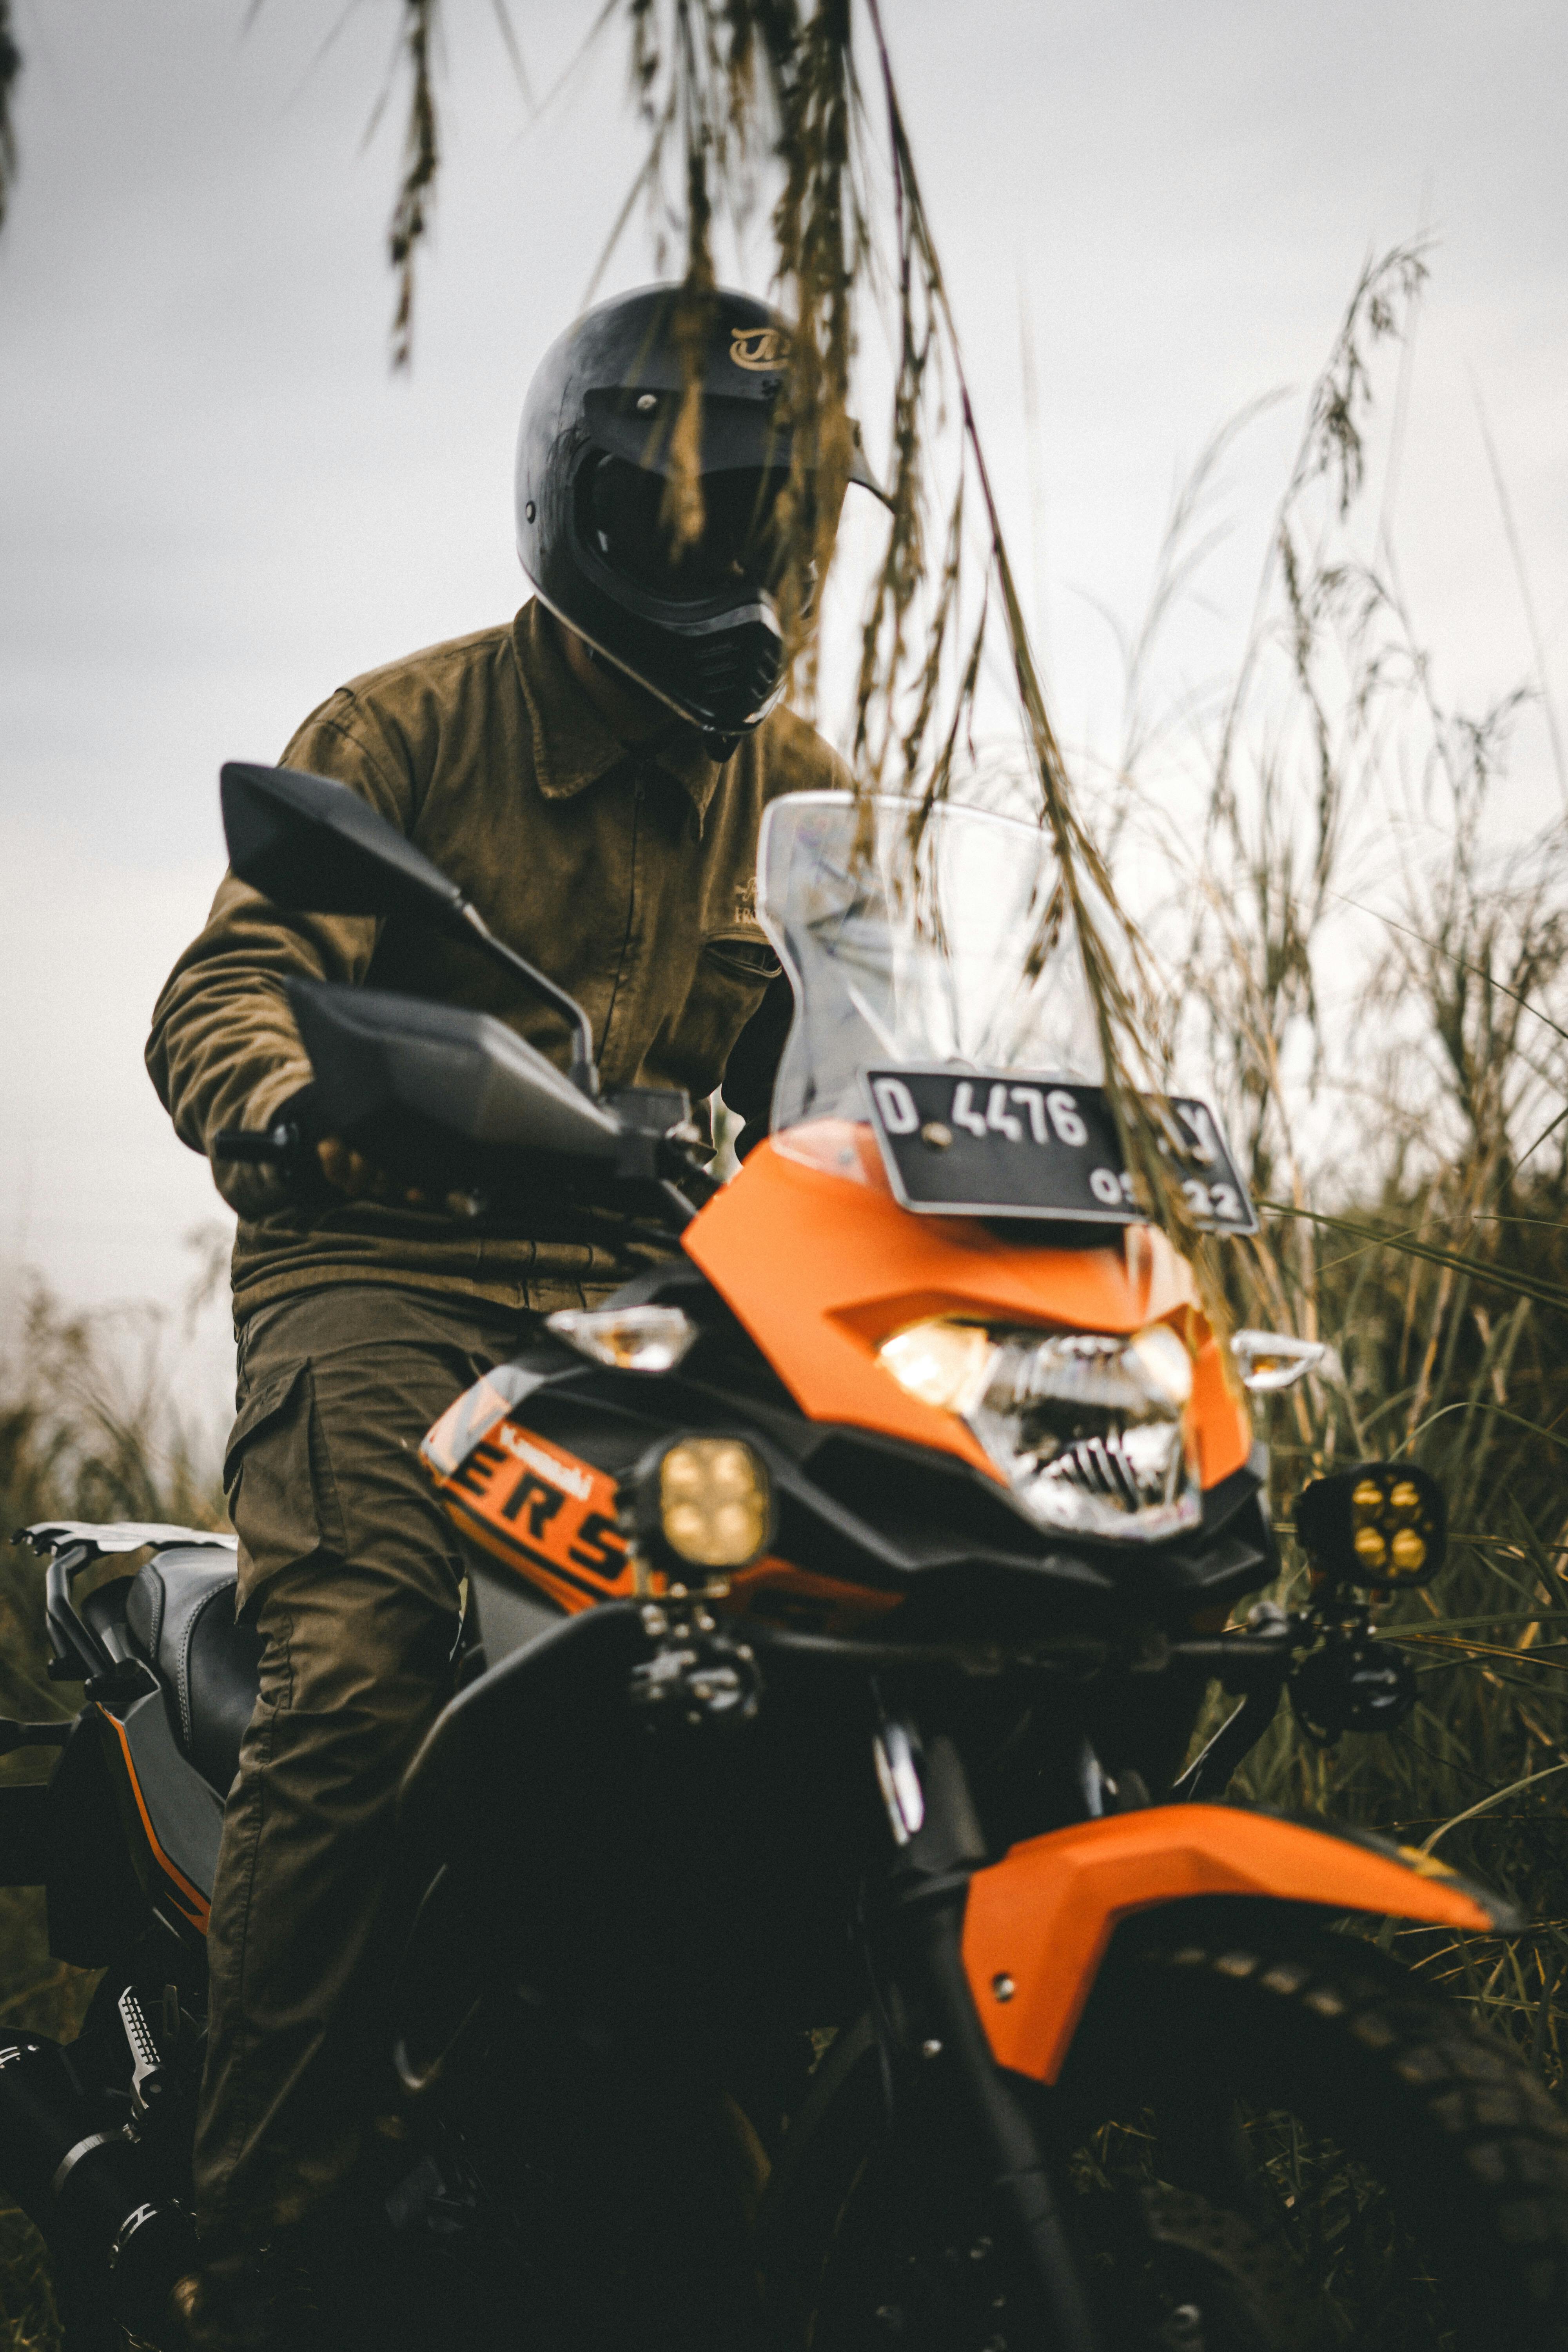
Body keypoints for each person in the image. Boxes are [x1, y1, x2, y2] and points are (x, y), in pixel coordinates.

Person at [145, 281, 875, 2347]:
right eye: (668, 501)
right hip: (383, 1268)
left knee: (819, 1669)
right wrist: (283, 1096)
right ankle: (260, 2258)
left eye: (748, 502)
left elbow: (891, 1050)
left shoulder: (799, 788)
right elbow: (230, 980)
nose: (707, 537)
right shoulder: (405, 727)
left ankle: (749, 2189)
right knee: (364, 1673)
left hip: (651, 1307)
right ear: (581, 508)